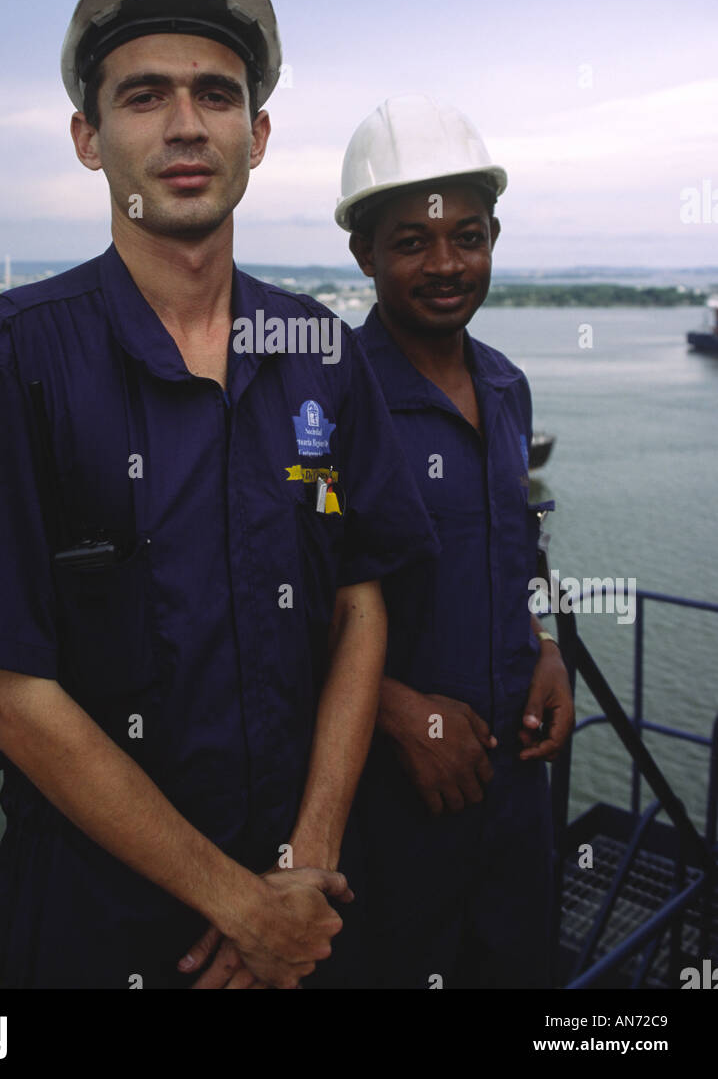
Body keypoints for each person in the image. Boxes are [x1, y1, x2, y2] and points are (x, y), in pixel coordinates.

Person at [0, 0, 436, 990]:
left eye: (216, 93)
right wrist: (237, 901)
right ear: (87, 137)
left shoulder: (319, 352)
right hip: (92, 932)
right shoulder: (10, 360)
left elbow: (360, 599)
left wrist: (305, 862)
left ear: (261, 131)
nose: (185, 126)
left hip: (303, 921)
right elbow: (11, 692)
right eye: (143, 95)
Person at [336, 94, 575, 989]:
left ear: (494, 238)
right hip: (387, 806)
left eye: (468, 237)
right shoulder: (325, 404)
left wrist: (542, 645)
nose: (446, 264)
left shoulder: (507, 387)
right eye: (412, 242)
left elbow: (516, 556)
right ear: (364, 253)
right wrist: (395, 710)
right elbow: (273, 597)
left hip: (513, 799)